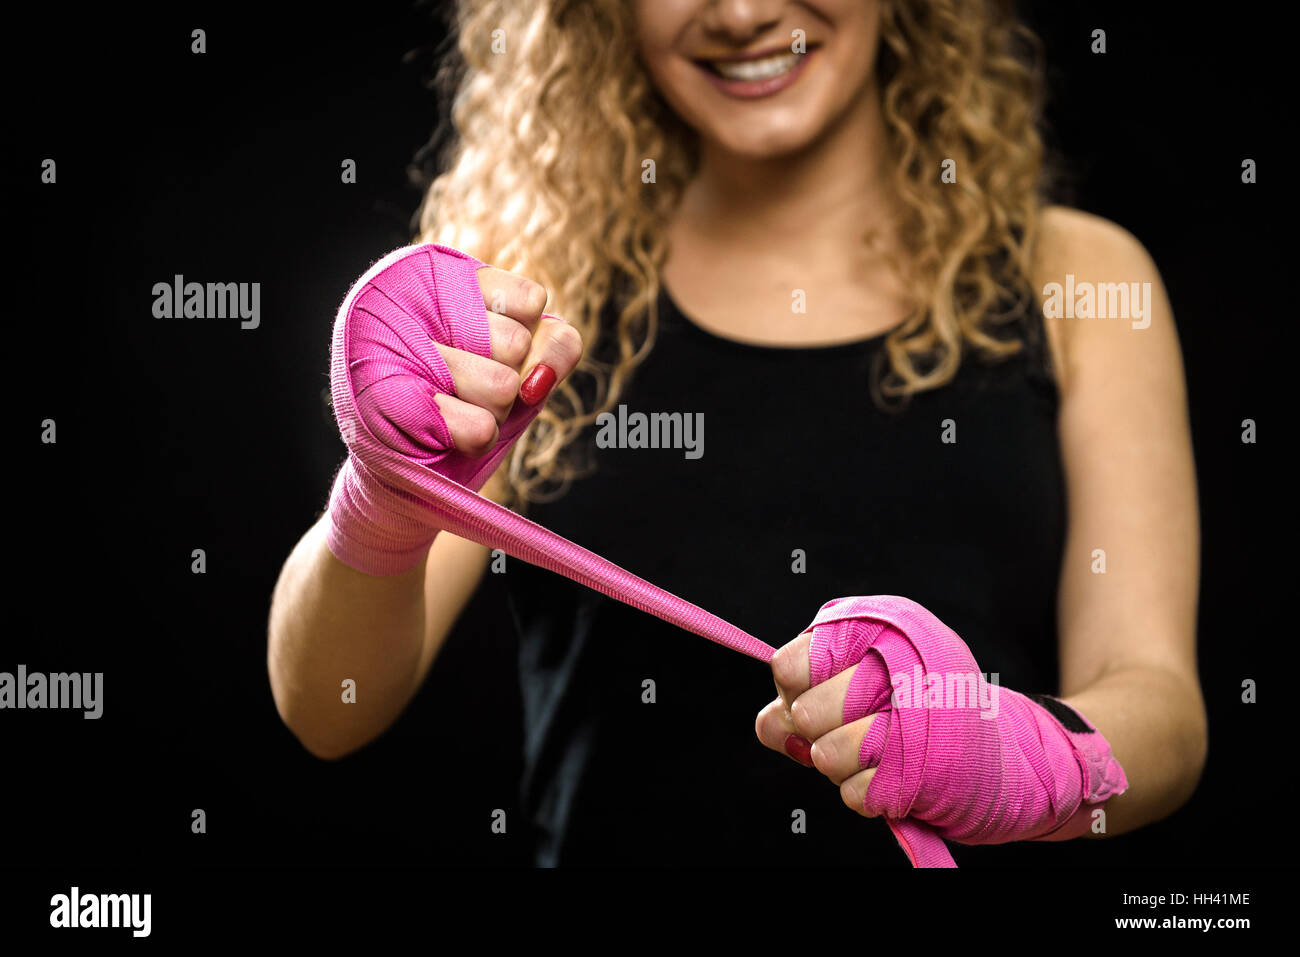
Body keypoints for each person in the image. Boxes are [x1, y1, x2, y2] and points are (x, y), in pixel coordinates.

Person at [268, 0, 1204, 866]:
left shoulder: (1081, 280)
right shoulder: (523, 298)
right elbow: (326, 709)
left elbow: (1160, 704)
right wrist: (384, 494)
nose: (744, 13)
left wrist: (1025, 760)